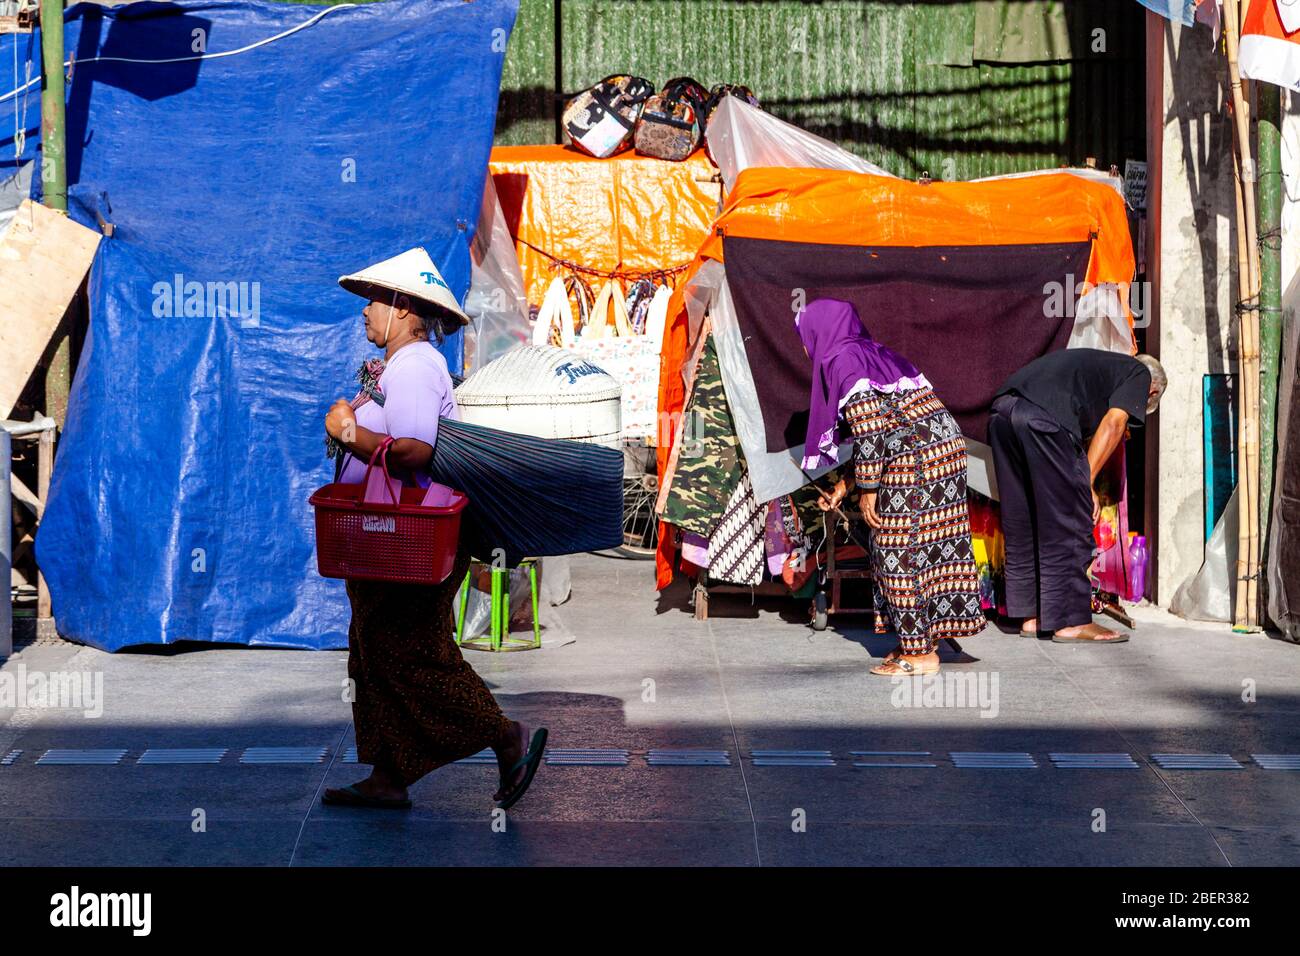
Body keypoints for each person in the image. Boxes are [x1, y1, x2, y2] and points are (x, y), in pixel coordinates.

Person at [320, 247, 547, 810]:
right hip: (385, 540)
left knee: (410, 653)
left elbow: (414, 451)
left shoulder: (415, 365)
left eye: (372, 302)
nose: (364, 313)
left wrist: (350, 435)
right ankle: (388, 777)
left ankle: (506, 736)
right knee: (374, 648)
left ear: (400, 307)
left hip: (411, 543)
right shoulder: (397, 367)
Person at [800, 298, 986, 677]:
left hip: (916, 460)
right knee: (928, 548)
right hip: (943, 451)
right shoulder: (874, 353)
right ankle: (920, 640)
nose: (805, 346)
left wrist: (867, 489)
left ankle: (919, 654)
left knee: (893, 550)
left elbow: (870, 429)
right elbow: (888, 426)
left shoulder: (842, 359)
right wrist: (845, 485)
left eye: (805, 336)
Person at [989, 348, 1167, 643]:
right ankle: (1070, 620)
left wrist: (1083, 480)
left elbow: (1071, 454)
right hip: (1042, 419)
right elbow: (1113, 424)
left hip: (1003, 413)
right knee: (1071, 516)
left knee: (1026, 516)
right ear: (1152, 391)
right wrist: (1085, 483)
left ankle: (1031, 614)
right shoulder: (1139, 374)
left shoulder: (1098, 369)